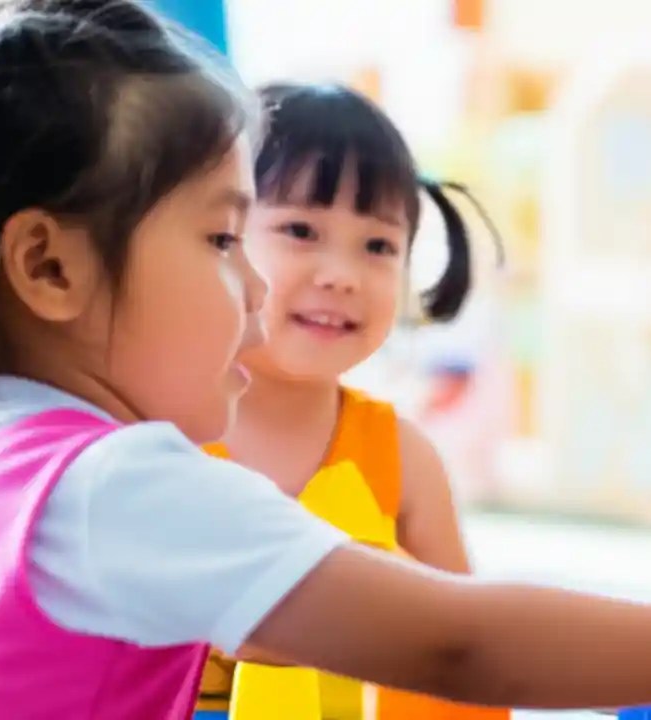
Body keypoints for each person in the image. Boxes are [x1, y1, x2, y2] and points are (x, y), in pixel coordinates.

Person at [0, 2, 651, 718]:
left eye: (379, 244)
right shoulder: (122, 486)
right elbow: (459, 641)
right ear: (51, 267)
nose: (259, 291)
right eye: (226, 241)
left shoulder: (9, 456)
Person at [193, 81, 507, 719]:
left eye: (378, 247)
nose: (341, 274)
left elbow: (466, 659)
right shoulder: (157, 436)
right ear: (215, 237)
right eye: (301, 230)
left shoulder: (403, 461)